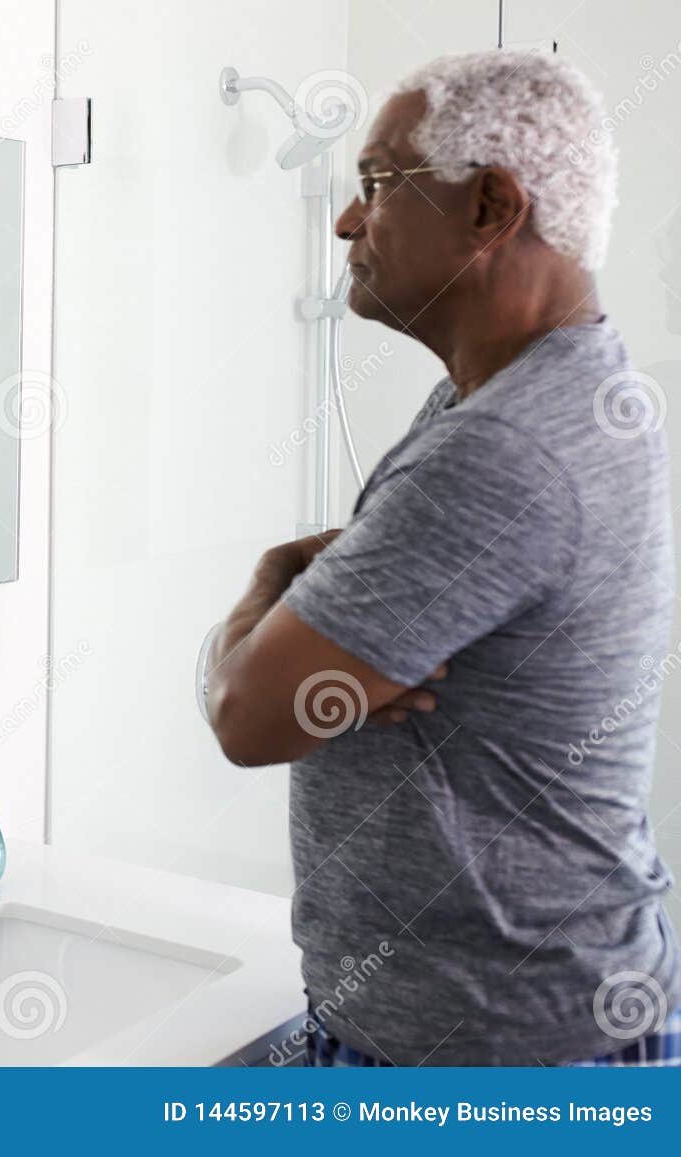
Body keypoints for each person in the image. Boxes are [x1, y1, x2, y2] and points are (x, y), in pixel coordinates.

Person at [205, 50, 679, 1065]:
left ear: (490, 208)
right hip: (512, 1014)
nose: (344, 222)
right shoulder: (543, 387)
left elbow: (247, 716)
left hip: (497, 1056)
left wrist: (263, 587)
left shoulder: (504, 446)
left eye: (375, 184)